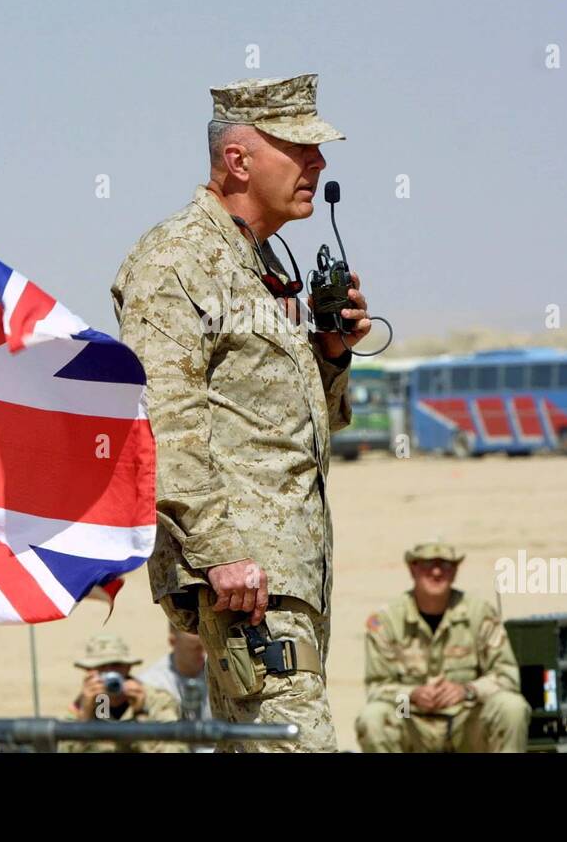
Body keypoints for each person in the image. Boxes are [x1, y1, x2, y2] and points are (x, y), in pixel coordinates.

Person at [111, 73, 370, 752]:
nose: (318, 163)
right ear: (238, 160)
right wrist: (222, 554)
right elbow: (163, 419)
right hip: (244, 585)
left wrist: (333, 354)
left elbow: (297, 424)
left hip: (286, 577)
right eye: (300, 148)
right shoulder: (177, 262)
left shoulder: (260, 265)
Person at [355, 542, 531, 753]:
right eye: (428, 564)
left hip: (465, 718)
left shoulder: (480, 613)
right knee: (373, 717)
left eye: (445, 565)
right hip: (411, 715)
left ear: (455, 570)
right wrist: (412, 694)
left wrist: (467, 691)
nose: (437, 572)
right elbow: (377, 688)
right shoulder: (387, 621)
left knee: (511, 706)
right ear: (413, 569)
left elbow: (507, 677)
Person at [61, 633, 185, 753]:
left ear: (128, 667)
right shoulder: (80, 707)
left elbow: (176, 749)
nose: (110, 673)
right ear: (89, 671)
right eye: (101, 667)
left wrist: (140, 715)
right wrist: (85, 718)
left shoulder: (158, 701)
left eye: (116, 665)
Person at [139, 626, 213, 751]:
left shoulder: (220, 674)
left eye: (205, 647)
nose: (203, 654)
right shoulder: (152, 683)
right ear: (173, 641)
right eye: (195, 648)